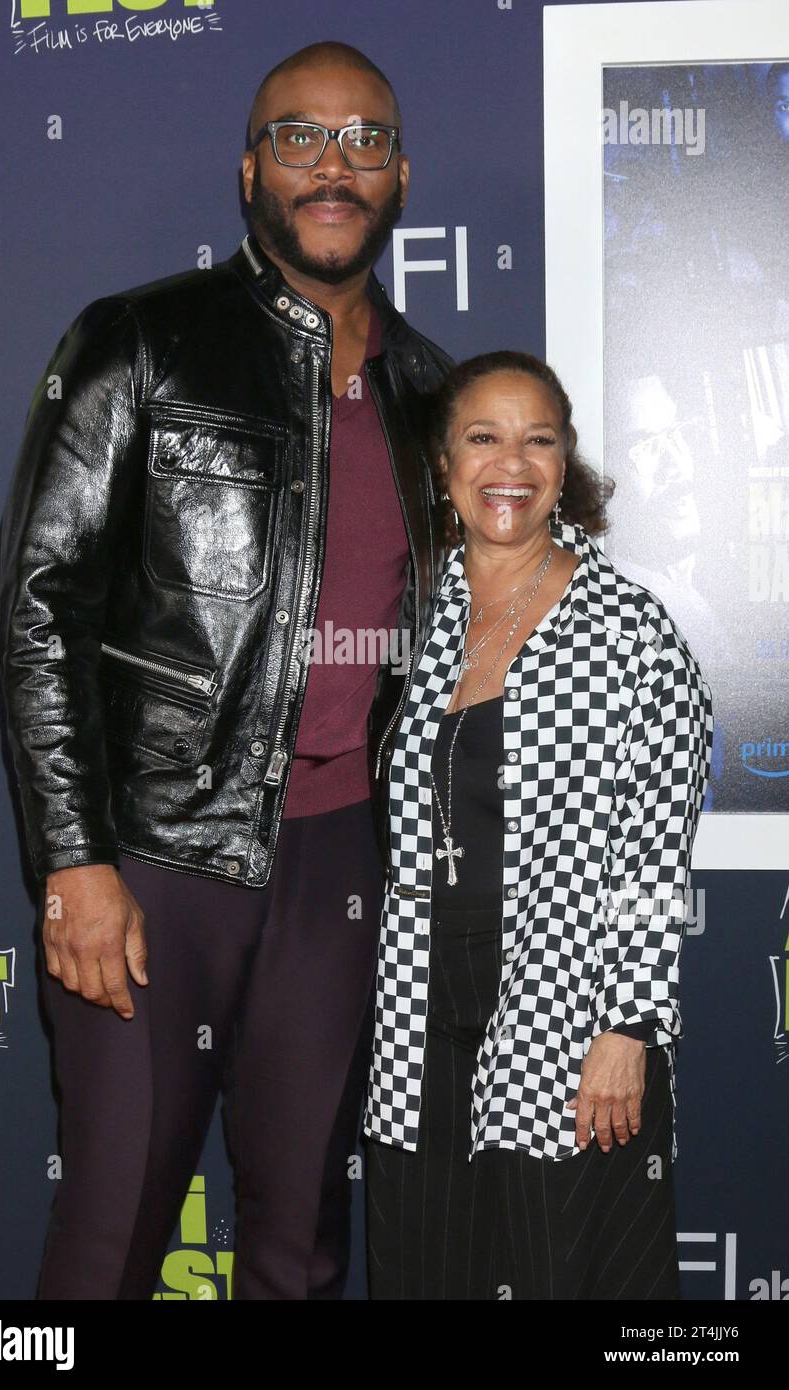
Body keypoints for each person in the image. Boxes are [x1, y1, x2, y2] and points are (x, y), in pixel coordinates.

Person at [0, 40, 454, 1300]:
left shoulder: (433, 393)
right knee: (110, 1237)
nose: (332, 164)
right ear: (248, 168)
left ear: (400, 175)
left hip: (343, 866)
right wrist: (74, 862)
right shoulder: (140, 342)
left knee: (301, 1239)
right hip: (152, 856)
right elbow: (42, 611)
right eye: (299, 136)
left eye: (362, 139)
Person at [363, 350, 714, 1300]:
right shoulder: (416, 622)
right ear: (443, 464)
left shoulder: (628, 631)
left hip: (567, 1015)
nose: (508, 463)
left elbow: (656, 852)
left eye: (537, 440)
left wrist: (629, 1028)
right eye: (482, 438)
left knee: (573, 1278)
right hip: (419, 1016)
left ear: (565, 468)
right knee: (428, 1268)